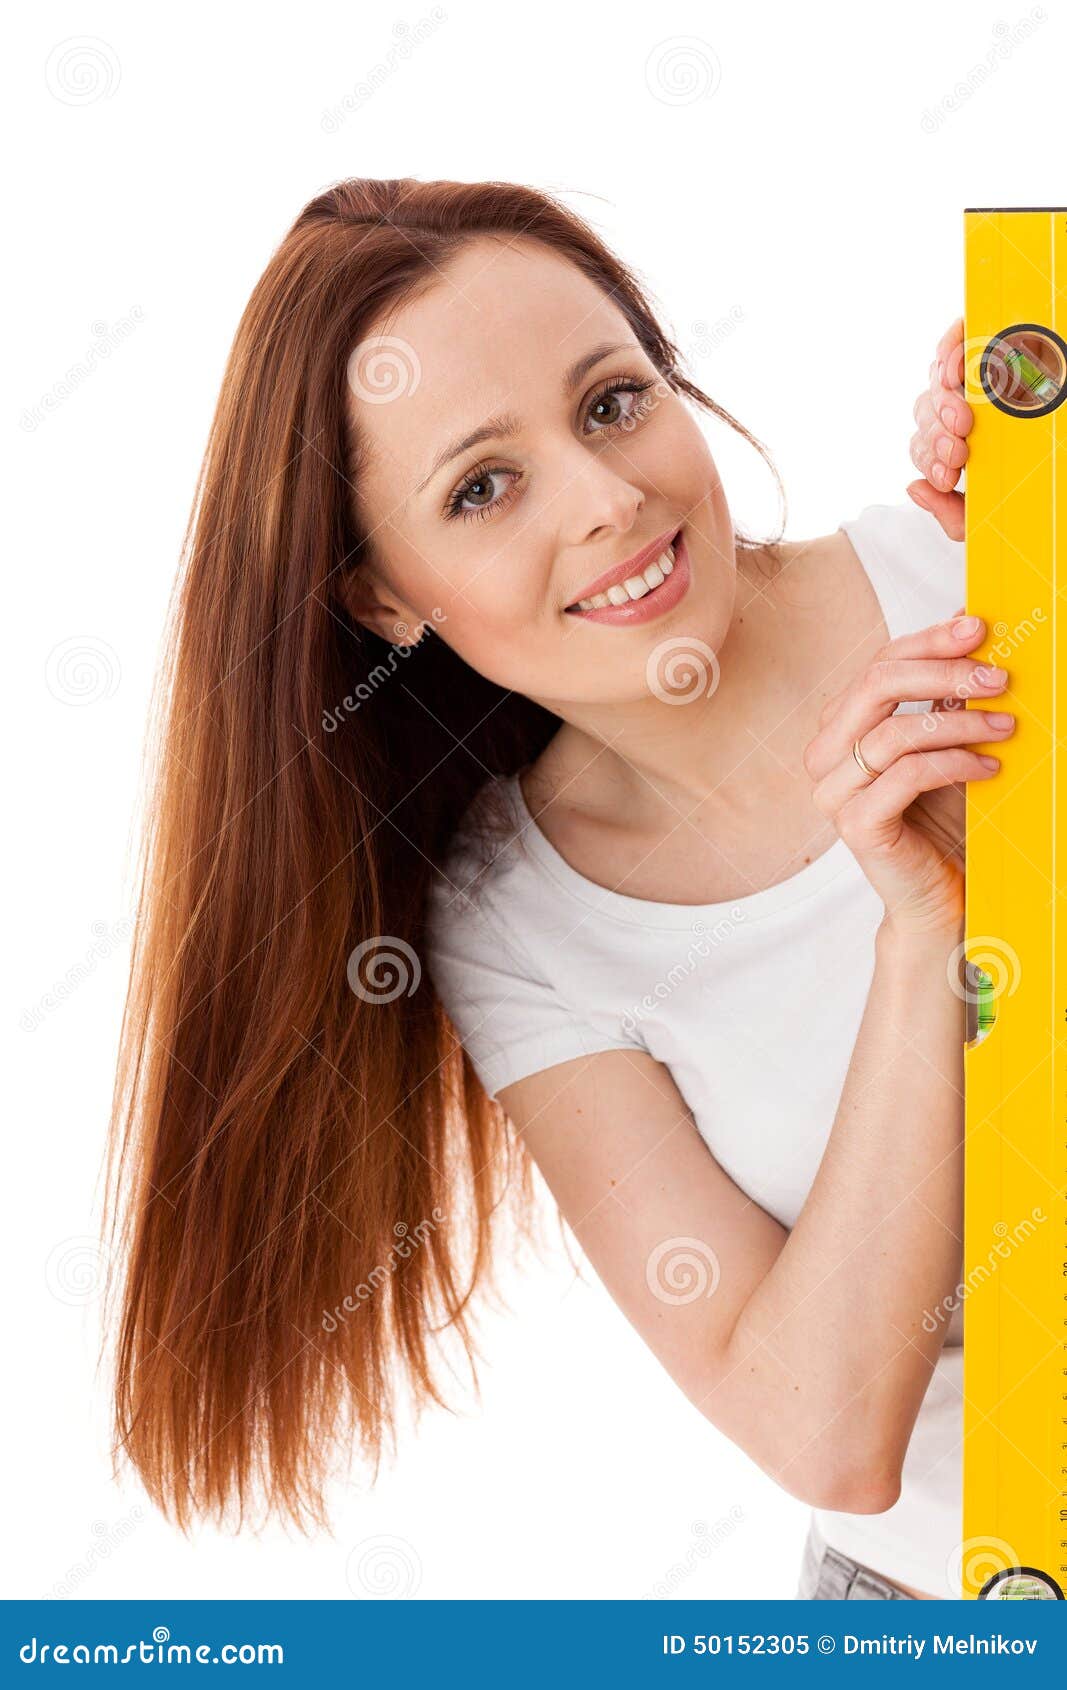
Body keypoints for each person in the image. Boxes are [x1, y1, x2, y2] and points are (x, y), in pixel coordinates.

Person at [105, 180, 989, 1601]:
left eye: (611, 403)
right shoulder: (519, 919)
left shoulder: (982, 576)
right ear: (382, 599)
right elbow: (826, 1432)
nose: (608, 499)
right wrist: (923, 935)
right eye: (481, 486)